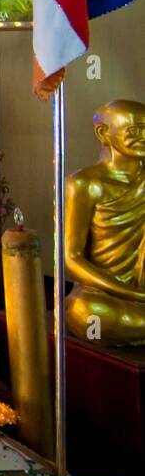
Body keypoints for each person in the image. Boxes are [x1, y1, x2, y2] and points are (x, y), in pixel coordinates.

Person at [65, 99, 145, 345]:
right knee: (87, 314)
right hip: (100, 294)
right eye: (134, 131)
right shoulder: (84, 183)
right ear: (103, 132)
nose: (143, 137)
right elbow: (71, 258)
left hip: (140, 286)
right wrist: (132, 294)